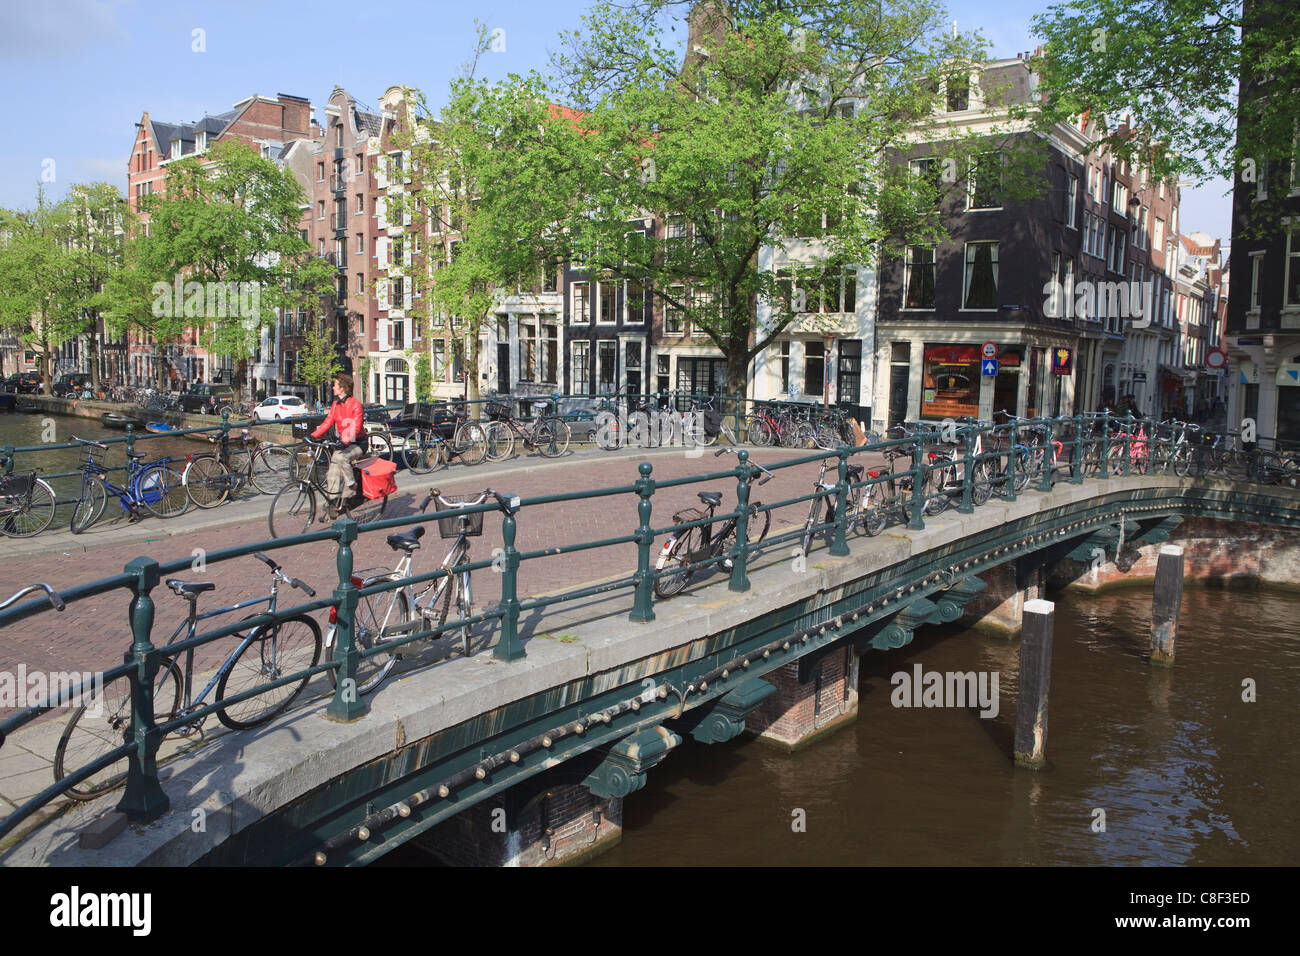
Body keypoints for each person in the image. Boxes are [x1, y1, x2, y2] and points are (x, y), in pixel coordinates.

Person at [311, 373, 365, 520]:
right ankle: (333, 502)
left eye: (334, 385)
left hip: (357, 443)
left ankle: (352, 486)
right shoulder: (336, 405)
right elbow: (328, 422)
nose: (332, 387)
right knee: (332, 471)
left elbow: (355, 426)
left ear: (342, 388)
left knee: (340, 457)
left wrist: (345, 440)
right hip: (344, 443)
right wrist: (313, 435)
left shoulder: (355, 405)